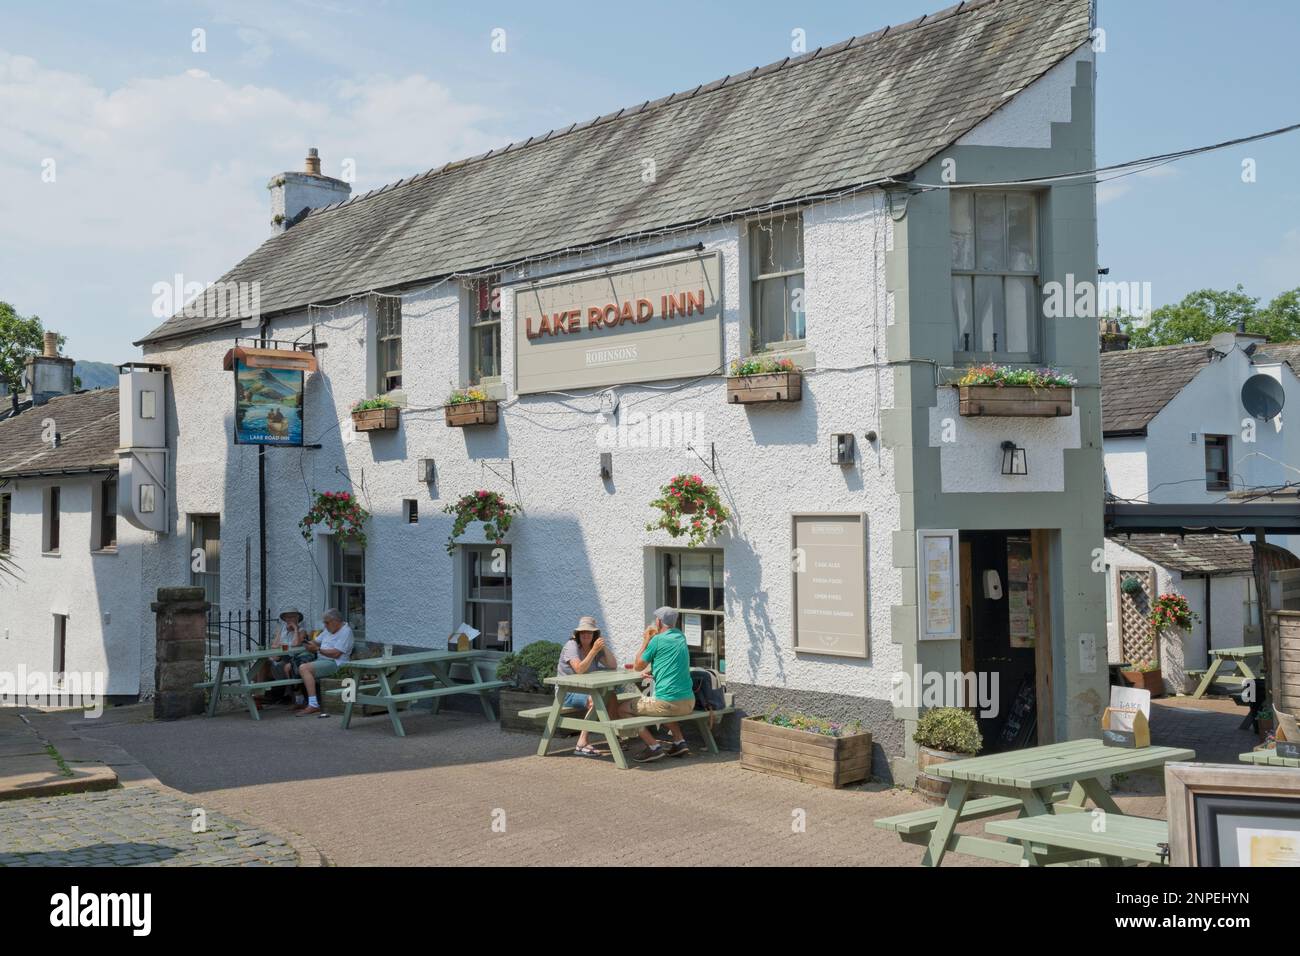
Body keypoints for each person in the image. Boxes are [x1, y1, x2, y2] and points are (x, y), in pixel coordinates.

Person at [618, 607, 694, 762]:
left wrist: (646, 640)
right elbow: (669, 661)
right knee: (663, 705)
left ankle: (653, 747)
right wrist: (655, 671)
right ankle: (679, 742)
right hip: (688, 702)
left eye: (656, 620)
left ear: (659, 621)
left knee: (623, 709)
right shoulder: (681, 637)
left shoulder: (656, 640)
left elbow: (638, 665)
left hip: (667, 703)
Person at [557, 616, 618, 757]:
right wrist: (593, 651)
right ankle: (581, 743)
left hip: (589, 690)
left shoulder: (594, 647)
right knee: (595, 700)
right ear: (578, 634)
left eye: (590, 632)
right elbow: (579, 669)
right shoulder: (571, 646)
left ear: (594, 635)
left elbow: (613, 665)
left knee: (611, 696)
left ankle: (615, 737)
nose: (586, 635)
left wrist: (603, 646)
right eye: (583, 632)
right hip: (567, 692)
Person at [295, 609, 354, 716]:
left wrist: (317, 649)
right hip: (322, 660)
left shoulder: (346, 631)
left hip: (335, 663)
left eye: (327, 622)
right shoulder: (329, 629)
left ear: (336, 621)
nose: (325, 625)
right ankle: (299, 700)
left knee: (304, 668)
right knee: (291, 665)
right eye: (324, 622)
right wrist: (307, 643)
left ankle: (313, 704)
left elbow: (336, 654)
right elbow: (316, 641)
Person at [254, 608, 308, 705]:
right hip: (279, 659)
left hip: (291, 660)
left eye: (291, 617)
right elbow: (274, 645)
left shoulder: (301, 630)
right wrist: (281, 647)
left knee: (282, 666)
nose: (289, 619)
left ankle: (294, 699)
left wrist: (295, 629)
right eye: (287, 617)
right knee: (261, 663)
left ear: (297, 618)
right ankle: (258, 698)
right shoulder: (282, 629)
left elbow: (296, 644)